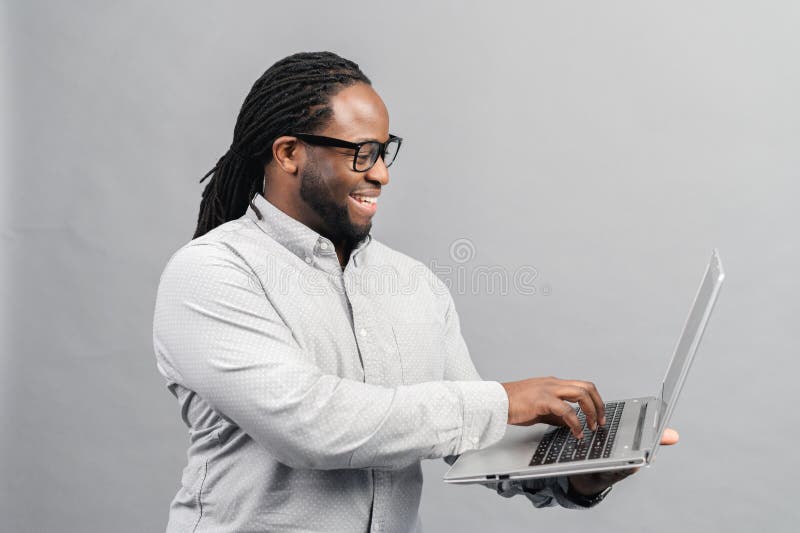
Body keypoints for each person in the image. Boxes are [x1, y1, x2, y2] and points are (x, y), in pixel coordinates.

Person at [152, 51, 679, 532]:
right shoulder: (211, 273)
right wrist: (500, 401)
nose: (381, 174)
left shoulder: (413, 284)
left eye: (385, 152)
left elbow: (475, 441)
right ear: (289, 153)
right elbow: (310, 425)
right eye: (361, 153)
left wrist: (582, 472)